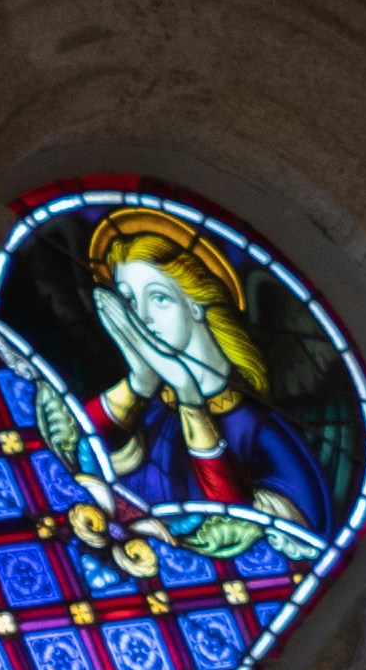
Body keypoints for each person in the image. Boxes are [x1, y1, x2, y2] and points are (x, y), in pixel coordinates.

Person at [63, 206, 332, 526]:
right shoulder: (151, 414)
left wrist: (190, 400)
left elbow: (243, 527)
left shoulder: (257, 427)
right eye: (129, 301)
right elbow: (69, 453)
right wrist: (139, 383)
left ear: (197, 303)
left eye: (159, 298)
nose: (142, 317)